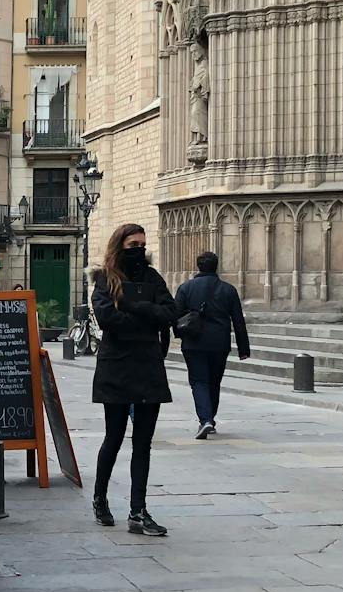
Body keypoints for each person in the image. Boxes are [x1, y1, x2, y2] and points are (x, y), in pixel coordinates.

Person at [91, 223, 177, 535]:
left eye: (142, 243)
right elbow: (107, 318)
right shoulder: (105, 279)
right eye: (133, 244)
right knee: (113, 438)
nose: (139, 249)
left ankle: (138, 511)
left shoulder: (153, 278)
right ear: (120, 246)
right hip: (116, 366)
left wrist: (135, 307)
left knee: (143, 442)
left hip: (148, 366)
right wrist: (147, 315)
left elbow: (170, 312)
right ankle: (100, 498)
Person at [173, 251, 251, 439]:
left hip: (194, 343)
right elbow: (238, 320)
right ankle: (210, 418)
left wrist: (180, 335)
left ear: (198, 266)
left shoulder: (186, 288)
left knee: (199, 381)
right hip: (219, 343)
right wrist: (243, 349)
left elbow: (174, 315)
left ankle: (205, 419)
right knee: (214, 382)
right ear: (216, 266)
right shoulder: (228, 289)